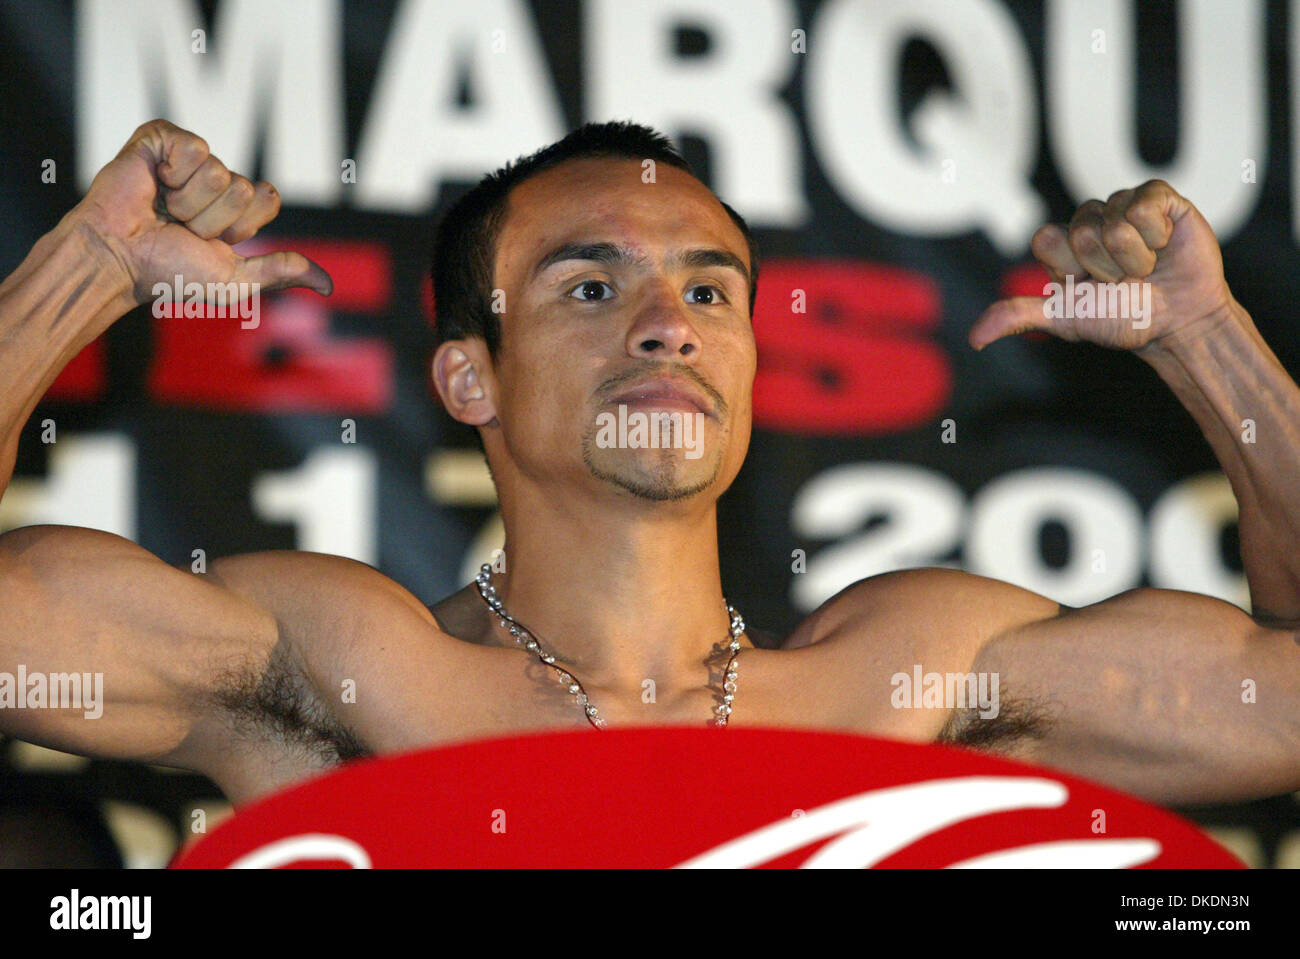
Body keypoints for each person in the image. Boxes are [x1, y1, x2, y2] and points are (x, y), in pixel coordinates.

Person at [0, 119, 1296, 811]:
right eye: (590, 283)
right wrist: (86, 273)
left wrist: (1207, 341)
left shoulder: (914, 690)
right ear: (470, 377)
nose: (668, 321)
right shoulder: (345, 679)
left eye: (710, 291)